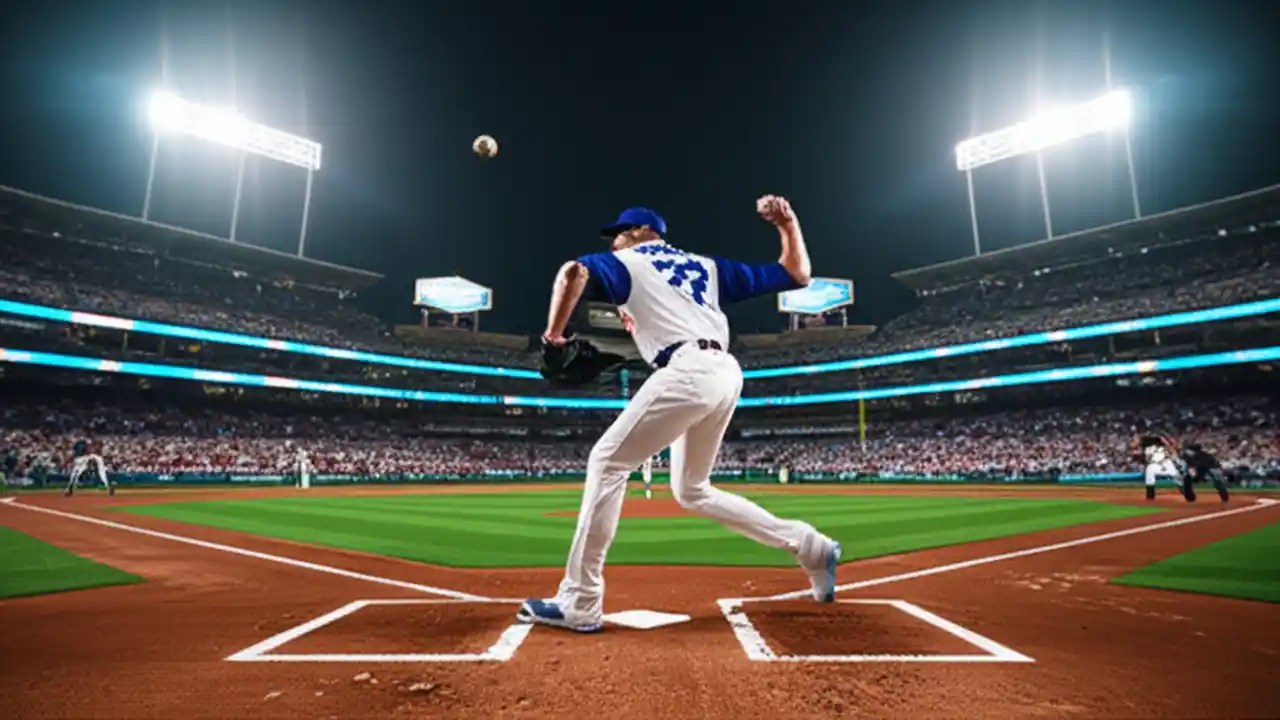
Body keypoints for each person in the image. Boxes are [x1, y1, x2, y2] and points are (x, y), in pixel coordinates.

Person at [517, 196, 841, 633]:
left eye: (619, 232)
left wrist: (554, 338)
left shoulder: (629, 260)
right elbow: (797, 274)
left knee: (607, 462)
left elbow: (572, 273)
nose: (614, 241)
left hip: (688, 370)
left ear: (640, 233)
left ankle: (580, 601)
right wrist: (788, 224)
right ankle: (811, 546)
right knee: (691, 489)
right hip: (725, 372)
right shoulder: (706, 267)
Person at [1135, 434, 1189, 502]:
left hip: (1162, 464)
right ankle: (1150, 495)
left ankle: (1150, 495)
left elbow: (1142, 455)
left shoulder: (1152, 449)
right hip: (1162, 464)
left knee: (1151, 472)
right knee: (1151, 471)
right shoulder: (1158, 448)